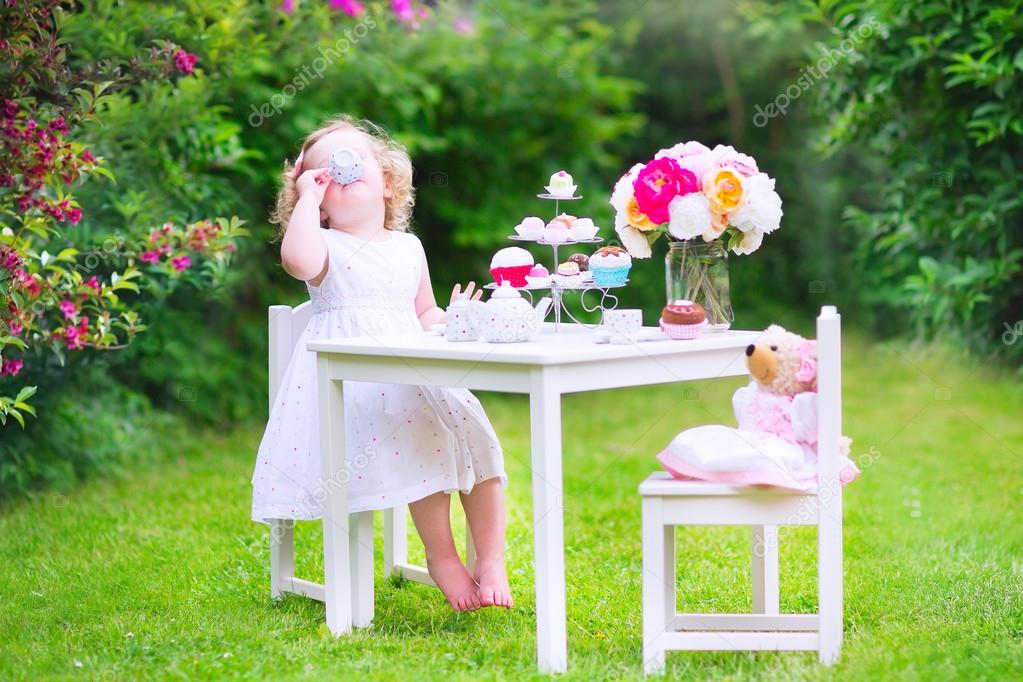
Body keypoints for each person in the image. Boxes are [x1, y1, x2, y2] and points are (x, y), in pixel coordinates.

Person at [251, 114, 512, 610]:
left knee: (475, 432)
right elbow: (297, 261)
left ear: (387, 181)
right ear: (316, 203)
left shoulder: (409, 248)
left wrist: (452, 317)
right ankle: (442, 558)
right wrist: (306, 197)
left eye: (351, 161)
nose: (339, 173)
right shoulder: (325, 247)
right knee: (420, 436)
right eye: (323, 173)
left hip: (414, 377)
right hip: (351, 390)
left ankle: (491, 557)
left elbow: (424, 313)